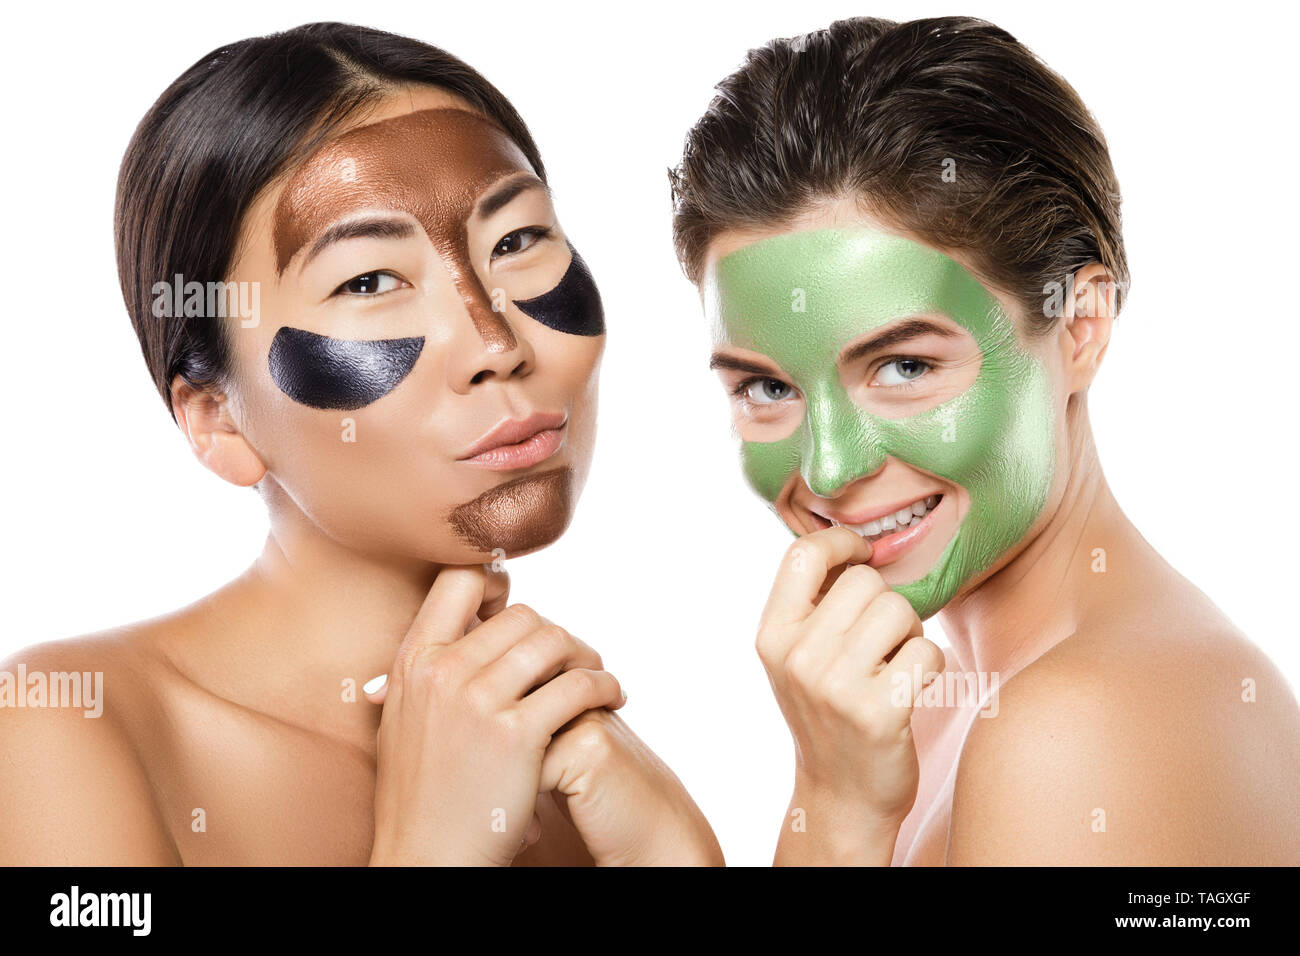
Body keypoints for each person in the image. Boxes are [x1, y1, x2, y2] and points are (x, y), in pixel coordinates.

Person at [0, 21, 720, 867]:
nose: (496, 344)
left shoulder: (582, 768)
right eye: (369, 280)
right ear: (215, 419)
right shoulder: (62, 728)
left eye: (517, 240)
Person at [669, 15, 1300, 865]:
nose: (828, 466)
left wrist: (835, 805)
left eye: (902, 366)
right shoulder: (920, 703)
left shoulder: (1077, 729)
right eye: (768, 387)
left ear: (1080, 324)